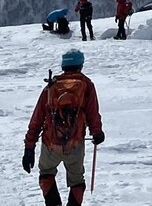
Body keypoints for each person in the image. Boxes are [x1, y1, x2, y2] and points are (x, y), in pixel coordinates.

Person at [23, 48, 104, 206]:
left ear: (63, 66)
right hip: (75, 143)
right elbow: (92, 112)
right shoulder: (86, 85)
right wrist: (97, 132)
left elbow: (37, 117)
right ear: (80, 65)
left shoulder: (52, 86)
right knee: (76, 180)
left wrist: (29, 147)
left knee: (46, 172)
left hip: (50, 143)